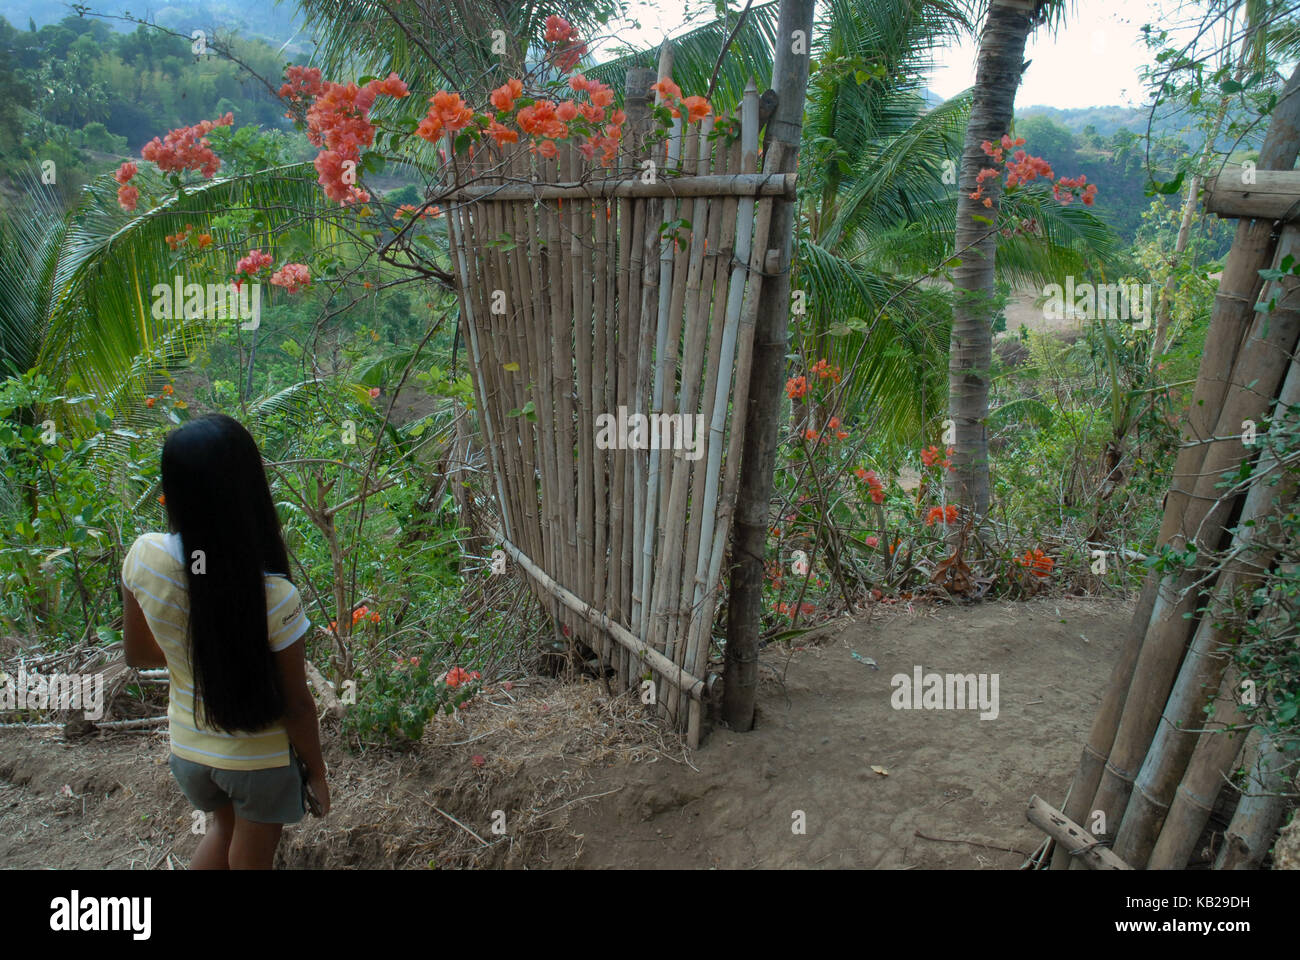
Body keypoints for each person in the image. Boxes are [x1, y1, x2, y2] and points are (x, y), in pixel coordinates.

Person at [121, 413, 330, 868]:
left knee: (223, 829)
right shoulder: (274, 596)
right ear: (247, 492)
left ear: (174, 491)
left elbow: (137, 654)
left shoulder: (144, 556)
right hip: (257, 763)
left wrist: (194, 655)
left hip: (190, 753)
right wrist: (317, 774)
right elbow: (296, 705)